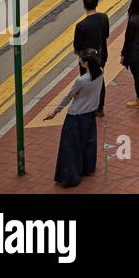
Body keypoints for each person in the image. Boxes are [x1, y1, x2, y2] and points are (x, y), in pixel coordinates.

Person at [47, 49, 104, 188]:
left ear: (86, 63)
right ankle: (88, 168)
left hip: (76, 116)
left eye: (80, 60)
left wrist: (56, 111)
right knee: (89, 142)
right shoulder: (100, 72)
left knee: (70, 147)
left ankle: (70, 177)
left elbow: (69, 96)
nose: (79, 61)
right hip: (90, 114)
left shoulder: (81, 80)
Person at [72, 0, 111, 117]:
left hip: (87, 58)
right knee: (99, 79)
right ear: (97, 3)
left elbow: (77, 46)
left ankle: (90, 106)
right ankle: (100, 107)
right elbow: (106, 35)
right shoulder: (104, 18)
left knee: (87, 80)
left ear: (84, 6)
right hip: (101, 55)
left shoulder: (81, 25)